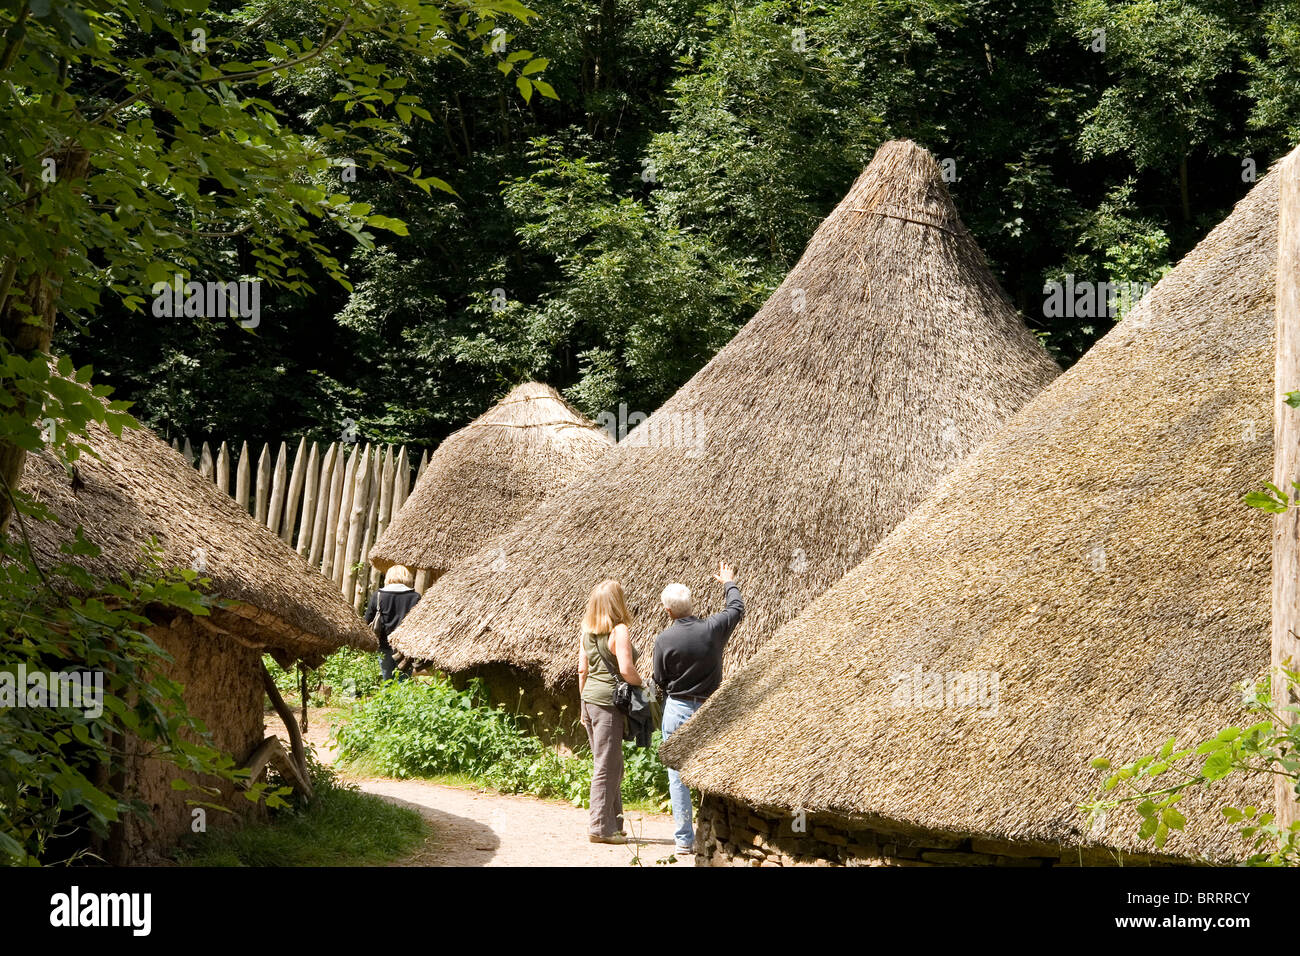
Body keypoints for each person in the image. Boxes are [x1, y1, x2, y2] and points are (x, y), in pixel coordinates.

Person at [652, 561, 744, 854]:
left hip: (677, 709)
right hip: (709, 710)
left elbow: (659, 678)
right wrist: (728, 582)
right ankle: (717, 834)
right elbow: (736, 609)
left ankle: (684, 840)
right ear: (691, 604)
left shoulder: (664, 640)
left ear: (668, 611)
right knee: (714, 770)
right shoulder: (712, 629)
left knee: (677, 777)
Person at [578, 578, 643, 845]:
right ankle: (599, 828)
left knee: (612, 763)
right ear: (618, 602)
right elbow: (627, 671)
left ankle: (614, 822)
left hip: (589, 701)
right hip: (608, 705)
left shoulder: (586, 631)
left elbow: (582, 670)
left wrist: (583, 703)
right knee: (606, 765)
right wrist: (644, 684)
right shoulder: (620, 631)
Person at [364, 564, 422, 681]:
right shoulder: (415, 597)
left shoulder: (378, 595)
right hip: (406, 646)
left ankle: (386, 698)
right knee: (404, 680)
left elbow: (367, 620)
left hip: (384, 643)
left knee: (387, 679)